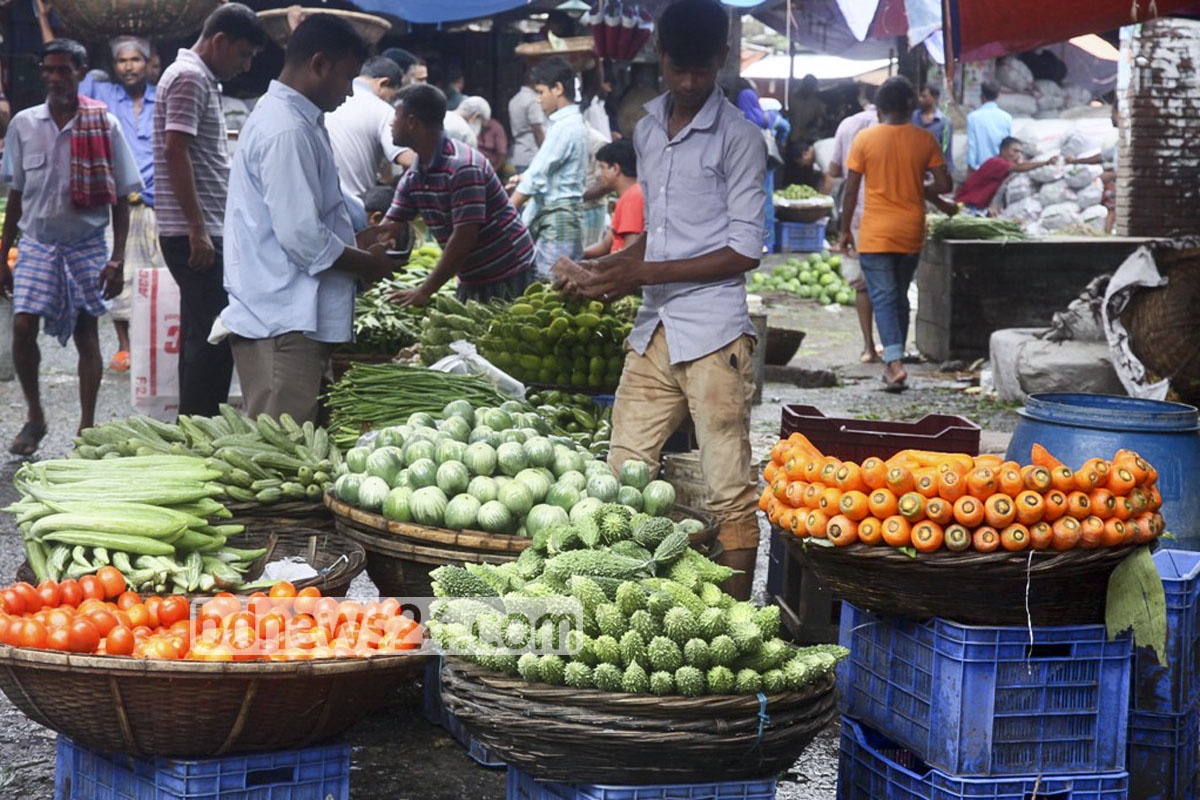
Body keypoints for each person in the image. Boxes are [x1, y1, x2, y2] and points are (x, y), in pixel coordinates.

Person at [552, 0, 766, 600]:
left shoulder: (741, 139)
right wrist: (604, 269)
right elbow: (663, 234)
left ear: (722, 60)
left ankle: (736, 615)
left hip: (715, 334)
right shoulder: (646, 131)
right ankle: (627, 598)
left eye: (704, 71)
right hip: (655, 329)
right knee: (623, 474)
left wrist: (637, 271)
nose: (691, 83)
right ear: (660, 56)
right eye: (679, 70)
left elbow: (744, 250)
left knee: (727, 486)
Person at [220, 14, 394, 424]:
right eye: (348, 78)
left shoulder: (297, 120)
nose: (351, 94)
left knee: (297, 455)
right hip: (282, 324)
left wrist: (357, 242)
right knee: (284, 461)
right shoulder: (287, 129)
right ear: (318, 64)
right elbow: (304, 238)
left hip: (290, 322)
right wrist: (367, 263)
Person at [0, 39, 142, 455]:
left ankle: (86, 426)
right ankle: (35, 416)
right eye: (48, 70)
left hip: (85, 245)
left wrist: (117, 259)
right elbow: (17, 194)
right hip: (38, 244)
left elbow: (121, 199)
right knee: (23, 326)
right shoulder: (24, 124)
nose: (55, 78)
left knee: (86, 335)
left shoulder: (105, 124)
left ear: (81, 73)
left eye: (64, 70)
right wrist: (2, 251)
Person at [154, 3, 266, 417]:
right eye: (243, 54)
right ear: (219, 41)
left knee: (202, 334)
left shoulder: (197, 78)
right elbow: (174, 150)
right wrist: (197, 228)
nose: (246, 65)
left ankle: (194, 428)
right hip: (195, 232)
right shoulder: (188, 77)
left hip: (200, 228)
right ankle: (201, 430)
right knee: (214, 339)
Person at [838, 76, 951, 393]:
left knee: (884, 297)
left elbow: (850, 190)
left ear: (880, 108)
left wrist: (845, 229)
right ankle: (894, 358)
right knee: (898, 295)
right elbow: (945, 185)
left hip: (875, 231)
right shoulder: (924, 139)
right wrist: (918, 185)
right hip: (911, 228)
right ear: (910, 106)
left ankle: (894, 362)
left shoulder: (865, 139)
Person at [382, 84, 536, 304]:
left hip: (508, 270)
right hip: (471, 274)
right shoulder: (416, 173)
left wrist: (425, 291)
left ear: (411, 122)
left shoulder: (462, 167)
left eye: (395, 116)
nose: (390, 123)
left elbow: (464, 237)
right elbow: (390, 224)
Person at [73, 36, 162, 373]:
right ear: (113, 66)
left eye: (135, 60)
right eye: (122, 61)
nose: (128, 67)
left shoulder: (161, 96)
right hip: (122, 202)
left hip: (157, 200)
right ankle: (125, 348)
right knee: (121, 273)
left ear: (149, 62)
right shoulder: (104, 94)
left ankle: (154, 344)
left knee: (158, 275)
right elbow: (74, 82)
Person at [508, 56, 589, 279]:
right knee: (564, 279)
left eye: (541, 92)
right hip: (564, 215)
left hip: (558, 218)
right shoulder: (568, 123)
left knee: (550, 282)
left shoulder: (565, 127)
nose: (538, 100)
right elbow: (547, 169)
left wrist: (506, 212)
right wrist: (522, 178)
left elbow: (537, 176)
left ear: (558, 89)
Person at [827, 92, 880, 364]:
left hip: (856, 215)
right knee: (888, 286)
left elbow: (835, 170)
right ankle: (893, 351)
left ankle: (869, 347)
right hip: (885, 215)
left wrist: (843, 227)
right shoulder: (890, 129)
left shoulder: (847, 124)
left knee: (862, 286)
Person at [326, 56, 414, 202]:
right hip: (356, 206)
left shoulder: (329, 97)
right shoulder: (381, 109)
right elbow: (408, 159)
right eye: (392, 96)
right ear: (383, 83)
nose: (391, 102)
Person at [956, 136, 1056, 213]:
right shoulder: (996, 162)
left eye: (1020, 152)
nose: (1017, 155)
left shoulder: (1003, 166)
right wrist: (1045, 163)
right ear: (1003, 150)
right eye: (1015, 151)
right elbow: (1019, 168)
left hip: (978, 207)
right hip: (968, 205)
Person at [582, 138, 643, 257]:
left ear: (615, 169)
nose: (598, 175)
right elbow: (605, 245)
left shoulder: (633, 197)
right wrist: (574, 255)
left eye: (602, 167)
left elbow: (629, 253)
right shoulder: (627, 196)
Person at [966, 80, 1012, 174]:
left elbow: (972, 147)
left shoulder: (973, 117)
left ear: (982, 96)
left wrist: (970, 170)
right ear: (997, 96)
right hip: (1000, 168)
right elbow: (1008, 145)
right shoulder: (1007, 117)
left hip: (980, 169)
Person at [508, 72, 547, 172]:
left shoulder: (514, 100)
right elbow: (537, 129)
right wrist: (545, 152)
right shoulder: (533, 100)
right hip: (532, 155)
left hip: (519, 154)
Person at [912, 84, 953, 177]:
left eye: (924, 96)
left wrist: (945, 172)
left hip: (933, 172)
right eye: (920, 96)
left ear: (935, 98)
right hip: (914, 168)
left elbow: (946, 151)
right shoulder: (914, 116)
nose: (920, 99)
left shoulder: (944, 122)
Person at [458, 95, 508, 172]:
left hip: (491, 166)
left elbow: (502, 153)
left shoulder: (496, 127)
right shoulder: (467, 127)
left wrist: (493, 170)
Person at [787, 74, 824, 149]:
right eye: (807, 84)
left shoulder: (815, 102)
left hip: (806, 140)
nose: (809, 87)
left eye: (811, 85)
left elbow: (818, 121)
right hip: (792, 138)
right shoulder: (793, 99)